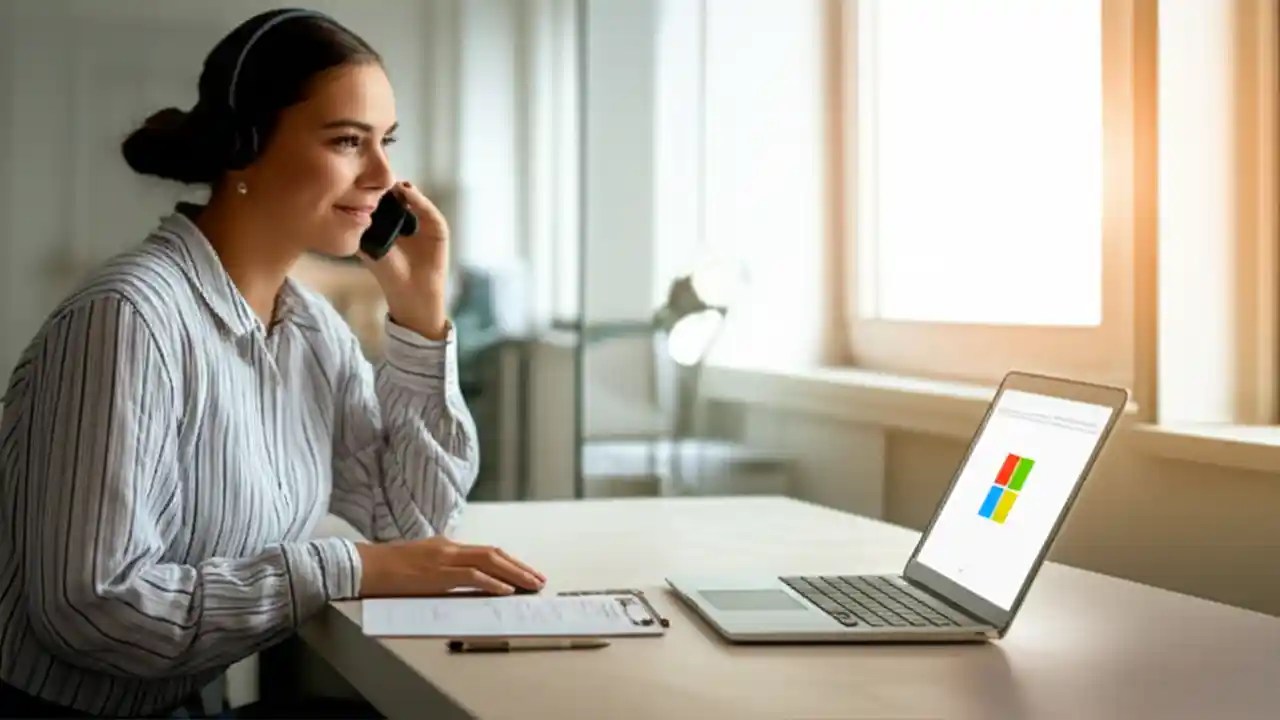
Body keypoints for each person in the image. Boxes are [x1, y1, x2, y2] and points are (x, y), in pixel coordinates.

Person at [0, 8, 545, 718]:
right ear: (244, 146)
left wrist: (419, 313)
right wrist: (342, 567)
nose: (384, 175)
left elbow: (413, 524)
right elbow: (92, 611)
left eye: (387, 142)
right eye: (349, 141)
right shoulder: (129, 319)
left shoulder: (310, 330)